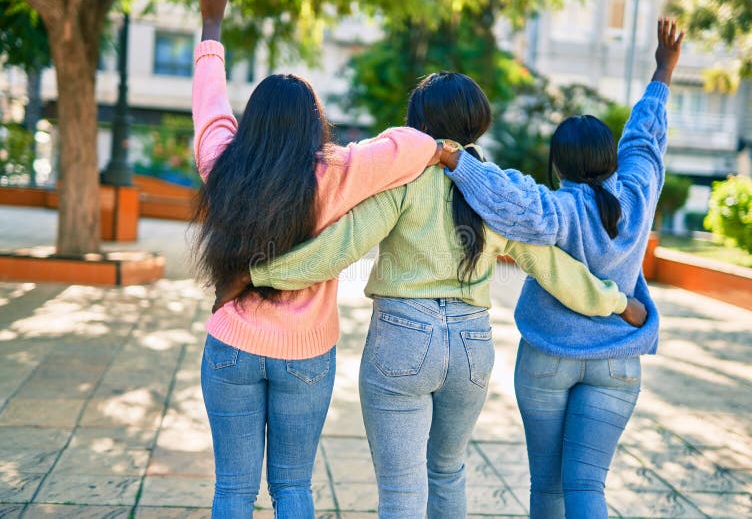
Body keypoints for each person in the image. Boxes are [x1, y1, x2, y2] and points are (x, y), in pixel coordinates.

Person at [240, 71, 647, 518]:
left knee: (402, 490)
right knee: (448, 472)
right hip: (472, 348)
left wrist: (258, 274)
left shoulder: (404, 181)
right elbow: (552, 267)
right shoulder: (496, 191)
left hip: (404, 338)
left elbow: (340, 247)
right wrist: (617, 303)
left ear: (419, 123)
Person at [192, 0, 443, 516]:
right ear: (314, 121)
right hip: (305, 355)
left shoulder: (223, 164)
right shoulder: (334, 173)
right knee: (293, 488)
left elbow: (210, 111)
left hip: (231, 345)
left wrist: (212, 26)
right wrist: (442, 149)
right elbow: (411, 145)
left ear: (253, 121)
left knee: (232, 491)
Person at [437, 18, 684, 519]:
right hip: (618, 361)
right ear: (610, 158)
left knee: (548, 489)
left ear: (559, 165)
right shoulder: (638, 195)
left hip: (548, 357)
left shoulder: (557, 209)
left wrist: (458, 161)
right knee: (588, 487)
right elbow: (645, 140)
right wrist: (663, 71)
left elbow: (508, 199)